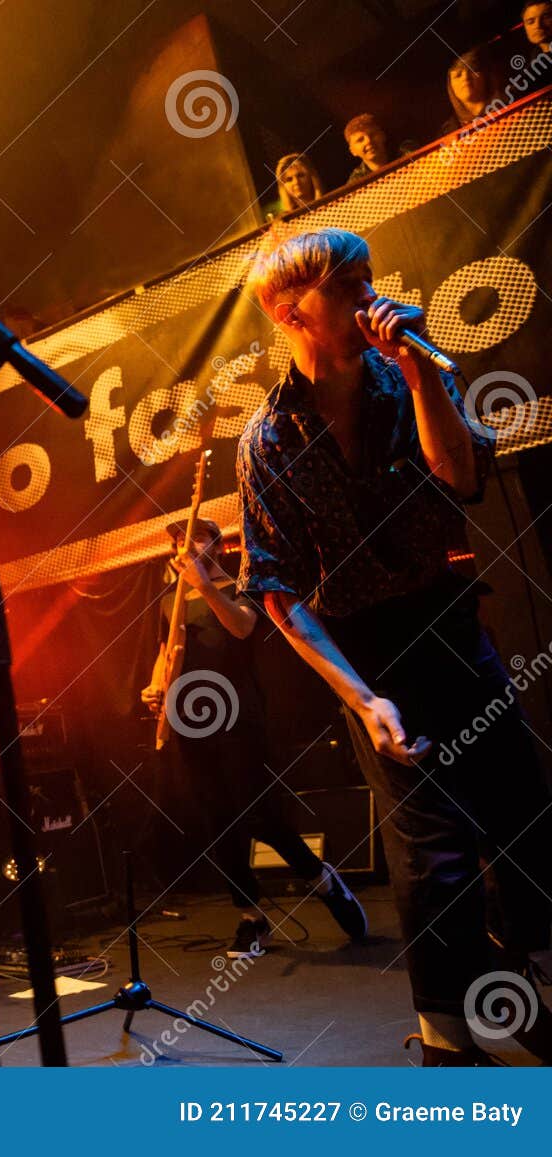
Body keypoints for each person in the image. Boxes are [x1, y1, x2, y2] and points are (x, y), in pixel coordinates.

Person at [236, 226, 552, 1066]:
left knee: (522, 814)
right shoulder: (267, 442)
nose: (366, 297)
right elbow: (279, 592)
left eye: (365, 278)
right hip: (368, 651)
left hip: (447, 621)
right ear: (288, 311)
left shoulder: (402, 382)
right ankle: (446, 1040)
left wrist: (419, 374)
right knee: (433, 848)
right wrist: (362, 697)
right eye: (345, 286)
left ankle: (516, 989)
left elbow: (461, 478)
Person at [141, 517, 367, 959]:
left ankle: (320, 878)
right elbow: (166, 652)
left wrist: (203, 586)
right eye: (174, 541)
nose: (181, 545)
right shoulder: (168, 599)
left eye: (194, 538)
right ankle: (251, 917)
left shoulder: (237, 586)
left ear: (217, 547)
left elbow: (243, 628)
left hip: (236, 714)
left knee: (260, 815)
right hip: (190, 720)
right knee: (216, 821)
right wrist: (154, 688)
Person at [440, 47, 505, 135]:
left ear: (485, 77)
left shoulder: (508, 103)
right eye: (458, 75)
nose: (466, 78)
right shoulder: (448, 132)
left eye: (473, 70)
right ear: (451, 86)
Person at [339, 114, 413, 186]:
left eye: (372, 135)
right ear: (353, 151)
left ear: (382, 135)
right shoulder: (355, 182)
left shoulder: (406, 152)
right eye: (360, 140)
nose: (368, 141)